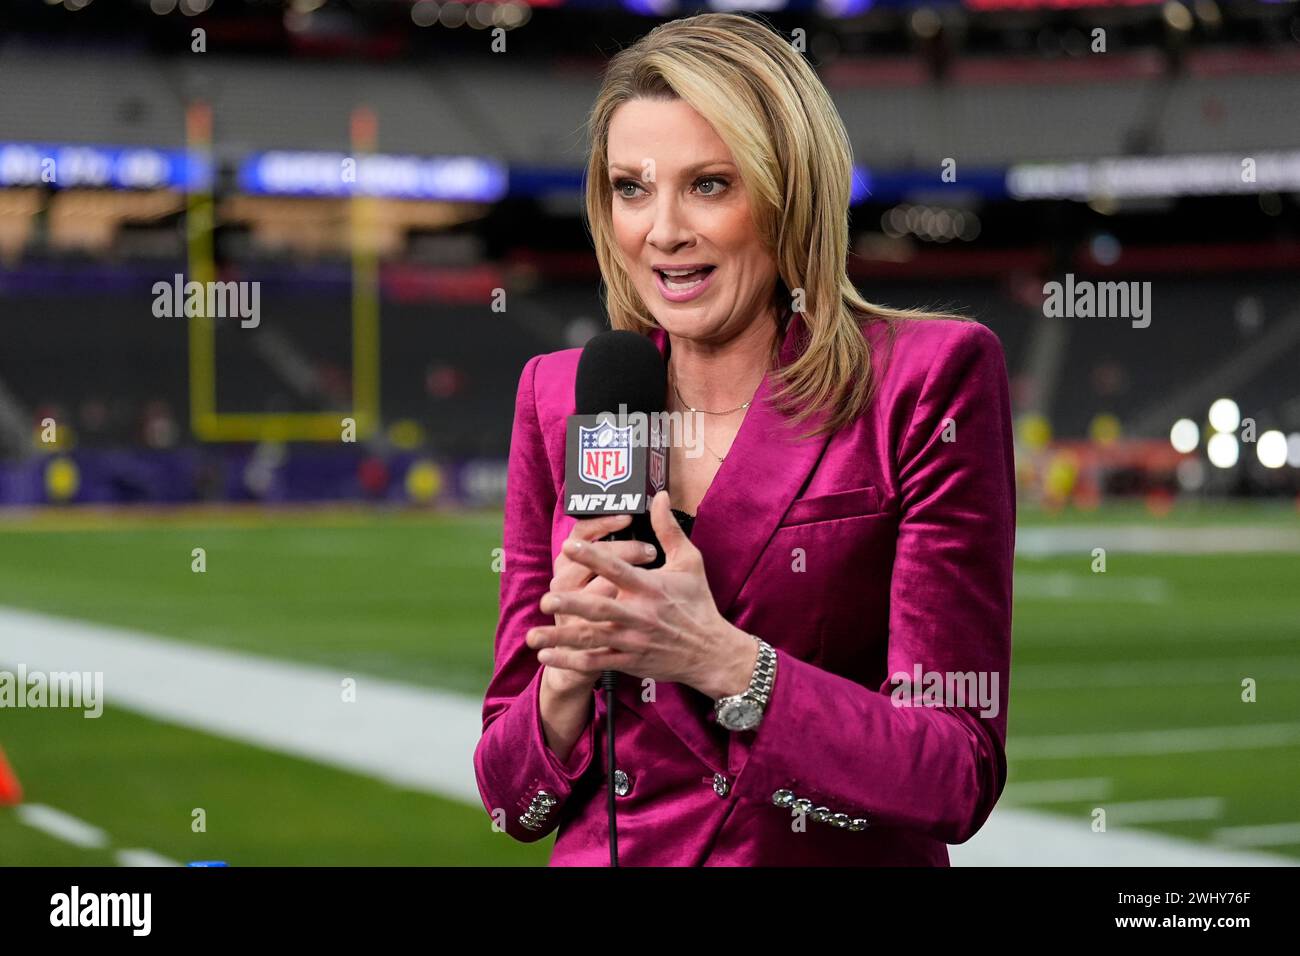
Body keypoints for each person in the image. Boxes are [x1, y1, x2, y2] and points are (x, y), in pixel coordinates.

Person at [473, 11, 1015, 866]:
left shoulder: (925, 379)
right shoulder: (559, 394)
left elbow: (956, 773)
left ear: (787, 191)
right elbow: (513, 803)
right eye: (631, 187)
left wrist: (728, 665)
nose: (663, 231)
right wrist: (566, 682)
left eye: (711, 185)